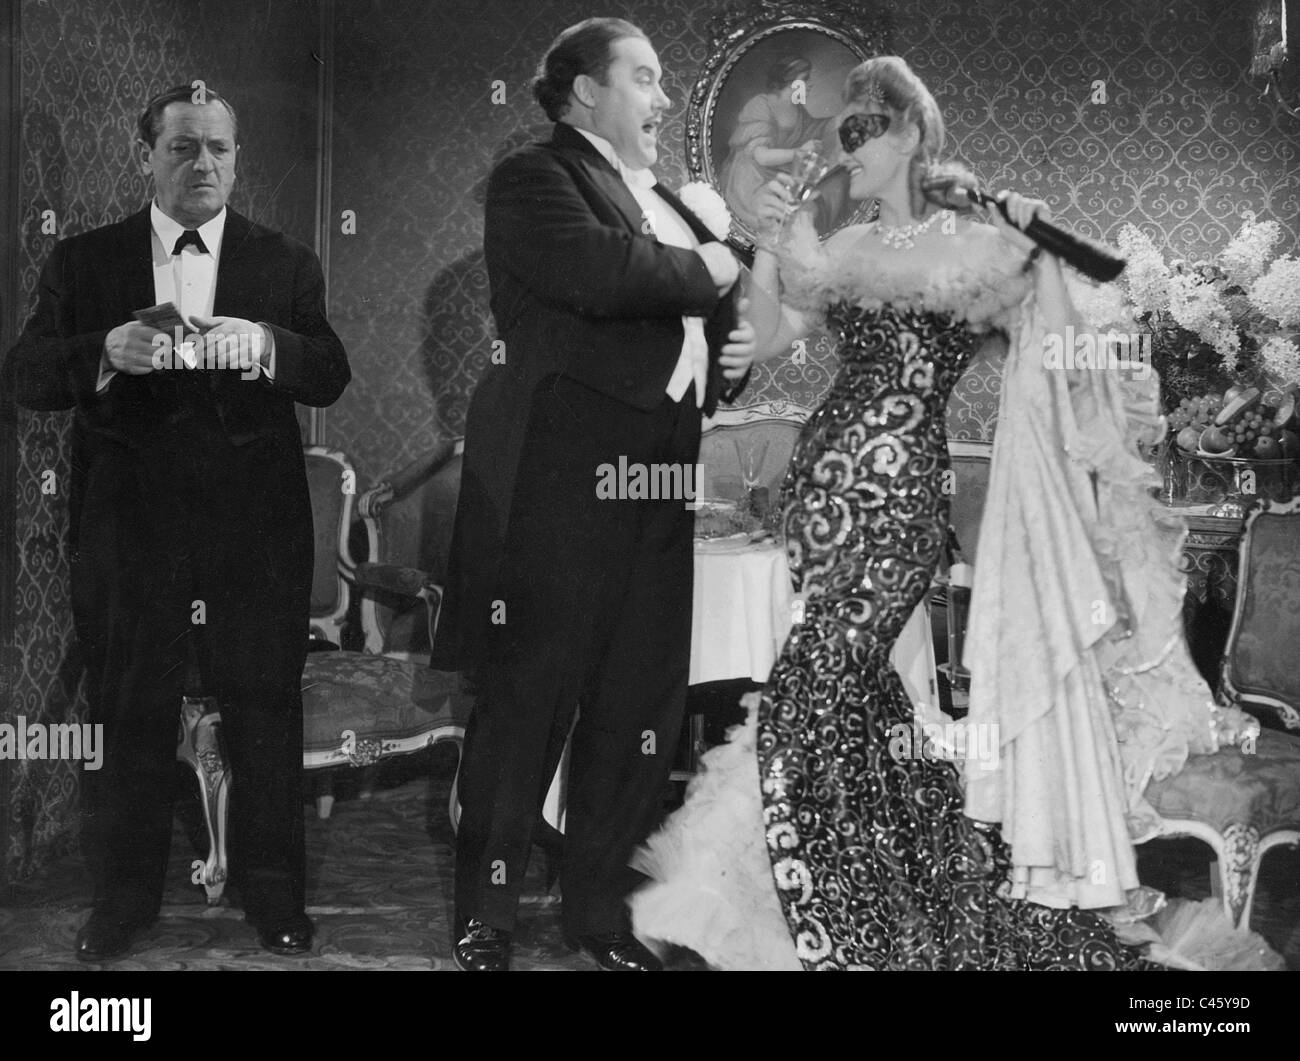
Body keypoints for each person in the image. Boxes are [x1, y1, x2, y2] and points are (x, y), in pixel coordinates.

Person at [629, 56, 1258, 970]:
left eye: (863, 128)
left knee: (817, 686)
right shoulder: (837, 247)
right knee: (844, 694)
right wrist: (768, 239)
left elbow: (1064, 343)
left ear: (913, 133)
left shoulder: (972, 248)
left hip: (898, 503)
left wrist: (1046, 262)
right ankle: (864, 881)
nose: (845, 143)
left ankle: (847, 906)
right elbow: (758, 341)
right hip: (822, 495)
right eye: (842, 128)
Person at [432, 18, 755, 972]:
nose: (663, 100)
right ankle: (486, 917)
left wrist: (728, 354)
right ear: (584, 92)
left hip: (660, 484)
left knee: (639, 706)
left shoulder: (671, 202)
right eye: (645, 79)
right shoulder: (538, 179)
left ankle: (598, 915)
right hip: (561, 484)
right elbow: (605, 275)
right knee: (530, 699)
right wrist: (717, 264)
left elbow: (708, 321)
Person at [4, 83, 350, 961]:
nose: (205, 165)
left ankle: (275, 898)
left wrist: (269, 344)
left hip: (256, 531)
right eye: (184, 148)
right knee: (130, 711)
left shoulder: (284, 261)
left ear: (238, 157)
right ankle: (123, 903)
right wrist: (103, 353)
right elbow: (27, 374)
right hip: (131, 528)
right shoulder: (85, 263)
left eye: (220, 150)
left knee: (264, 709)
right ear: (146, 154)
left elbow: (330, 371)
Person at [719, 55, 835, 233]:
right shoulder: (761, 104)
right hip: (749, 182)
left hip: (775, 177)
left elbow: (814, 129)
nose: (810, 84)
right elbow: (761, 156)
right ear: (789, 80)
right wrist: (799, 152)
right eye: (804, 79)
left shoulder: (798, 111)